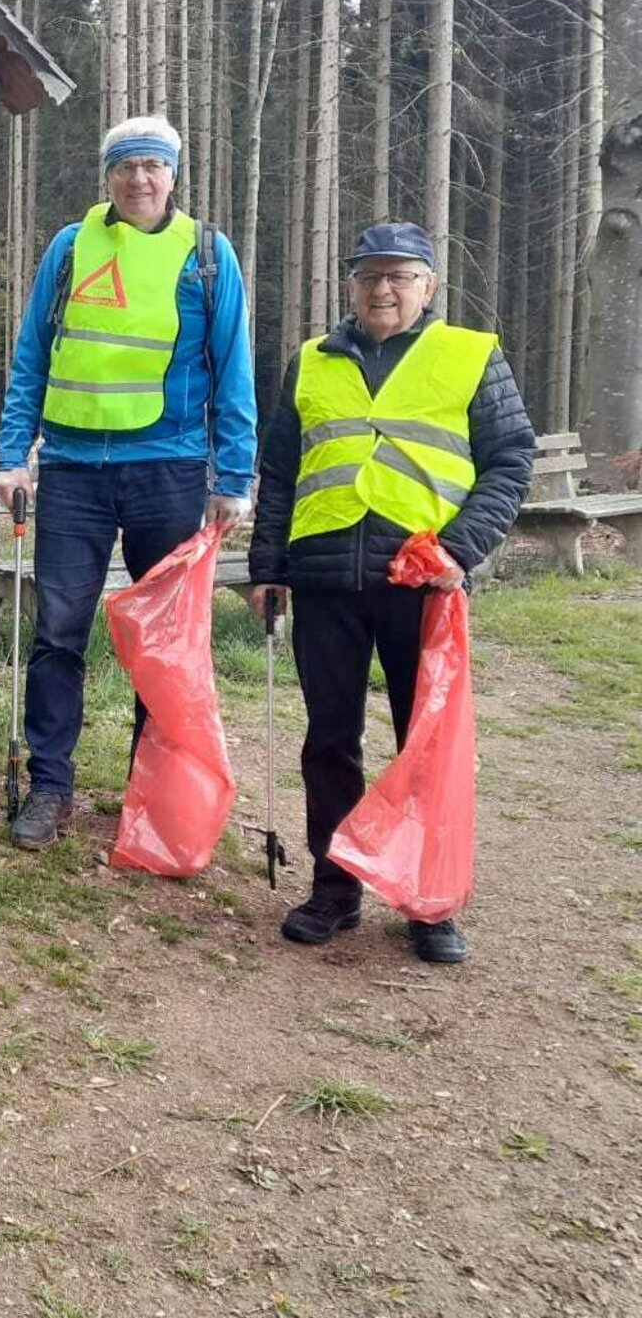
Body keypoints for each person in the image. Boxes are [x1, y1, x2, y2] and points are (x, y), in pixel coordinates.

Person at [249, 221, 533, 963]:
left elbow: (510, 461)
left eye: (400, 276)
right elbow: (279, 472)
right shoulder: (311, 361)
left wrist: (460, 549)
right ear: (351, 284)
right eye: (370, 275)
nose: (383, 288)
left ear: (427, 286)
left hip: (422, 583)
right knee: (329, 740)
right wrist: (267, 566)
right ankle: (334, 889)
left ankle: (428, 901)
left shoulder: (470, 355)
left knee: (426, 746)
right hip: (324, 578)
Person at [0, 115, 257, 850]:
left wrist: (234, 474)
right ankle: (50, 785)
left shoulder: (208, 256)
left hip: (168, 468)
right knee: (58, 632)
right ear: (107, 175)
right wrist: (13, 454)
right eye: (125, 166)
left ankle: (155, 788)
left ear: (173, 173)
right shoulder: (70, 247)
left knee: (160, 643)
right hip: (72, 470)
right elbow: (32, 355)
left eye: (152, 166)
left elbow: (234, 368)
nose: (139, 179)